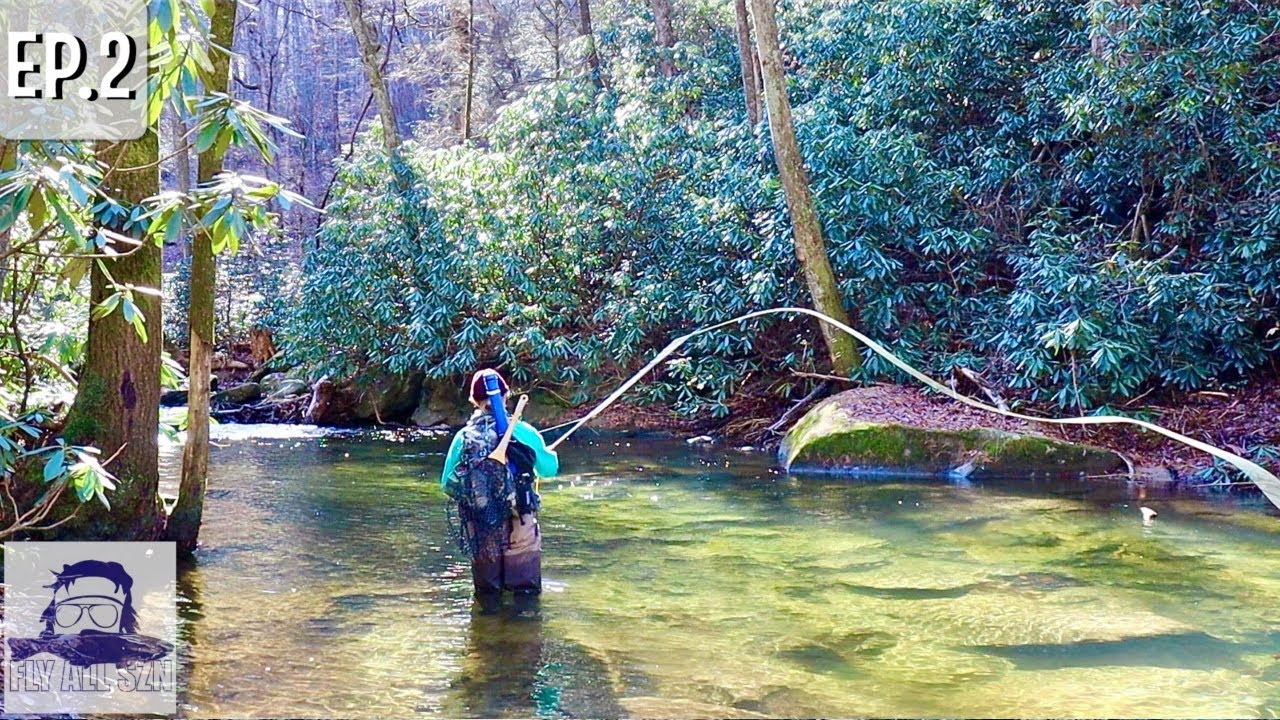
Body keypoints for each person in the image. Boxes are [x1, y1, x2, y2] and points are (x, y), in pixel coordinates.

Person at [441, 369, 558, 611]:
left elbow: (447, 485)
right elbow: (549, 469)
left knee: (487, 596)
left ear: (473, 400)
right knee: (524, 597)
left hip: (481, 525)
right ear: (505, 396)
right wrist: (548, 454)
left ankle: (486, 643)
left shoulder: (463, 437)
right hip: (520, 514)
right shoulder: (522, 431)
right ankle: (521, 640)